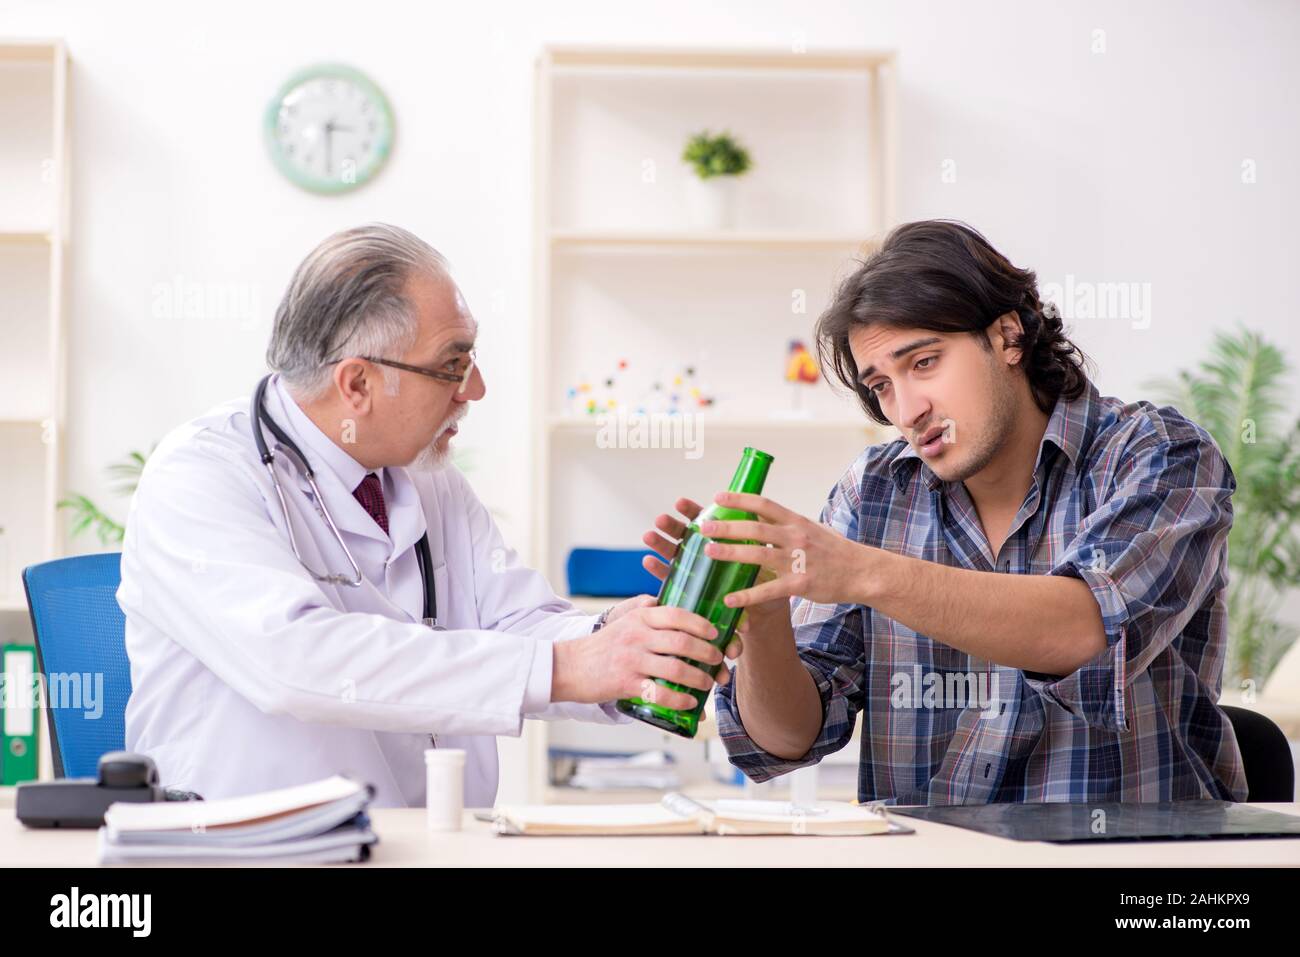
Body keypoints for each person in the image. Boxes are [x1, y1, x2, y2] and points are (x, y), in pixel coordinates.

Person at [120, 223, 736, 807]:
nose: (475, 389)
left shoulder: (428, 479)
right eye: (452, 364)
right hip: (248, 850)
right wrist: (569, 667)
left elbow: (517, 622)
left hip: (427, 841)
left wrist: (620, 644)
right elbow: (294, 660)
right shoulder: (200, 475)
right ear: (358, 383)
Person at [644, 220, 1247, 804]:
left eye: (924, 362)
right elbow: (787, 740)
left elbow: (1085, 632)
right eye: (881, 385)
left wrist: (862, 572)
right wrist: (766, 617)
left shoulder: (1160, 454)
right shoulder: (873, 492)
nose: (907, 409)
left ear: (1009, 336)